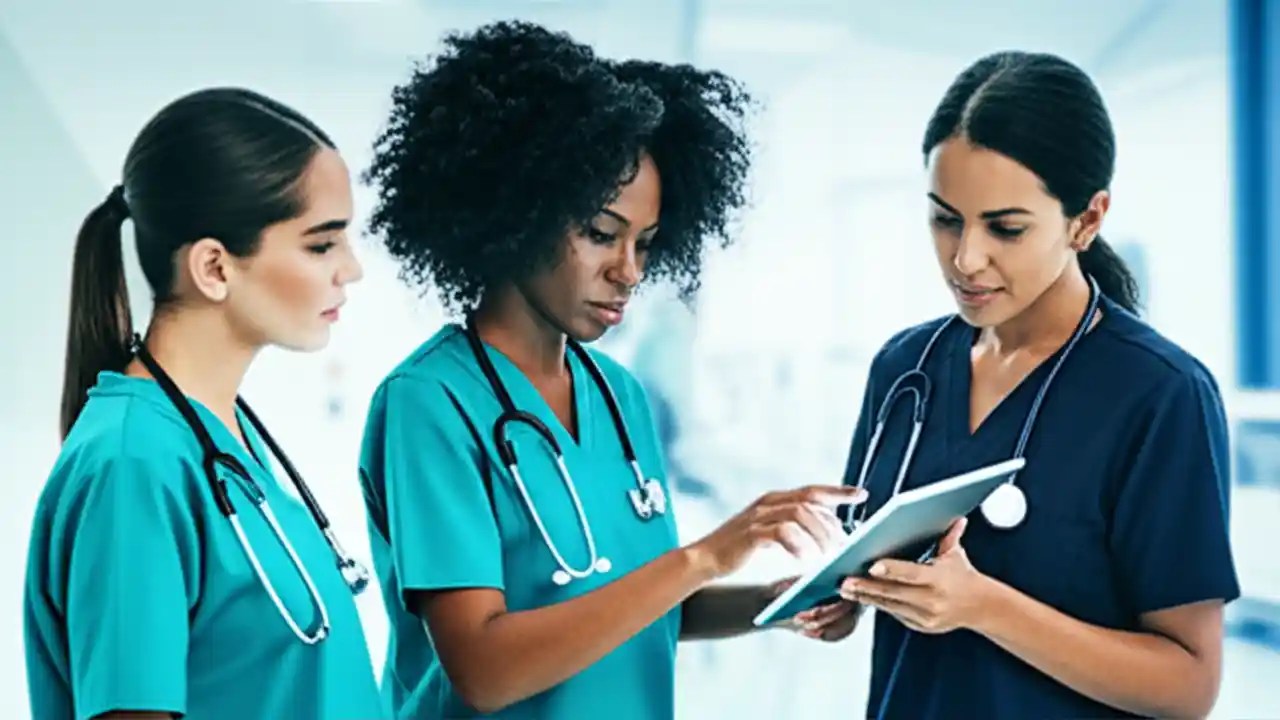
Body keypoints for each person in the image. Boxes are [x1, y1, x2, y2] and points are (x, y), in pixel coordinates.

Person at [357, 20, 865, 720]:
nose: (629, 272)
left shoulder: (617, 396)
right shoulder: (430, 403)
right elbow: (485, 670)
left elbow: (634, 609)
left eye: (646, 243)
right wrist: (707, 555)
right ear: (517, 212)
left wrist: (778, 605)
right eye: (601, 234)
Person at [831, 51, 1240, 719]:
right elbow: (859, 550)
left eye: (1006, 228)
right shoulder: (904, 368)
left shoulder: (1158, 395)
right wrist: (839, 596)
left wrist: (985, 607)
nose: (965, 258)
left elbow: (1189, 686)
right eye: (945, 218)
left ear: (1087, 220)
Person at [23, 88, 385, 720]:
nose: (350, 269)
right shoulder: (132, 465)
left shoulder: (223, 434)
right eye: (322, 244)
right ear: (214, 268)